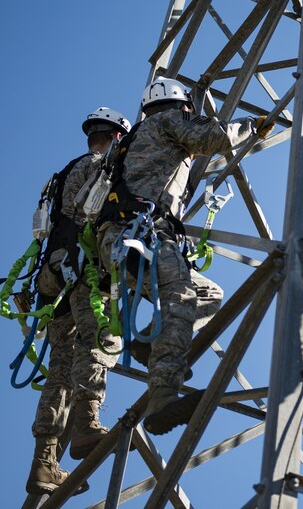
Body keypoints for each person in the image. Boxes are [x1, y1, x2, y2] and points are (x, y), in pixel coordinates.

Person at [94, 77, 273, 435]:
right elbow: (214, 138)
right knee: (183, 295)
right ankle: (163, 396)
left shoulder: (126, 145)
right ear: (183, 105)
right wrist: (253, 127)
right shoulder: (168, 121)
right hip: (142, 234)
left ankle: (148, 346)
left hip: (115, 245)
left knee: (207, 293)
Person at [26, 107, 131, 495]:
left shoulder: (62, 176)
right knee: (100, 339)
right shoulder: (105, 166)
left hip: (53, 277)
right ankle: (87, 424)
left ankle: (44, 463)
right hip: (84, 267)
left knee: (59, 371)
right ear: (118, 137)